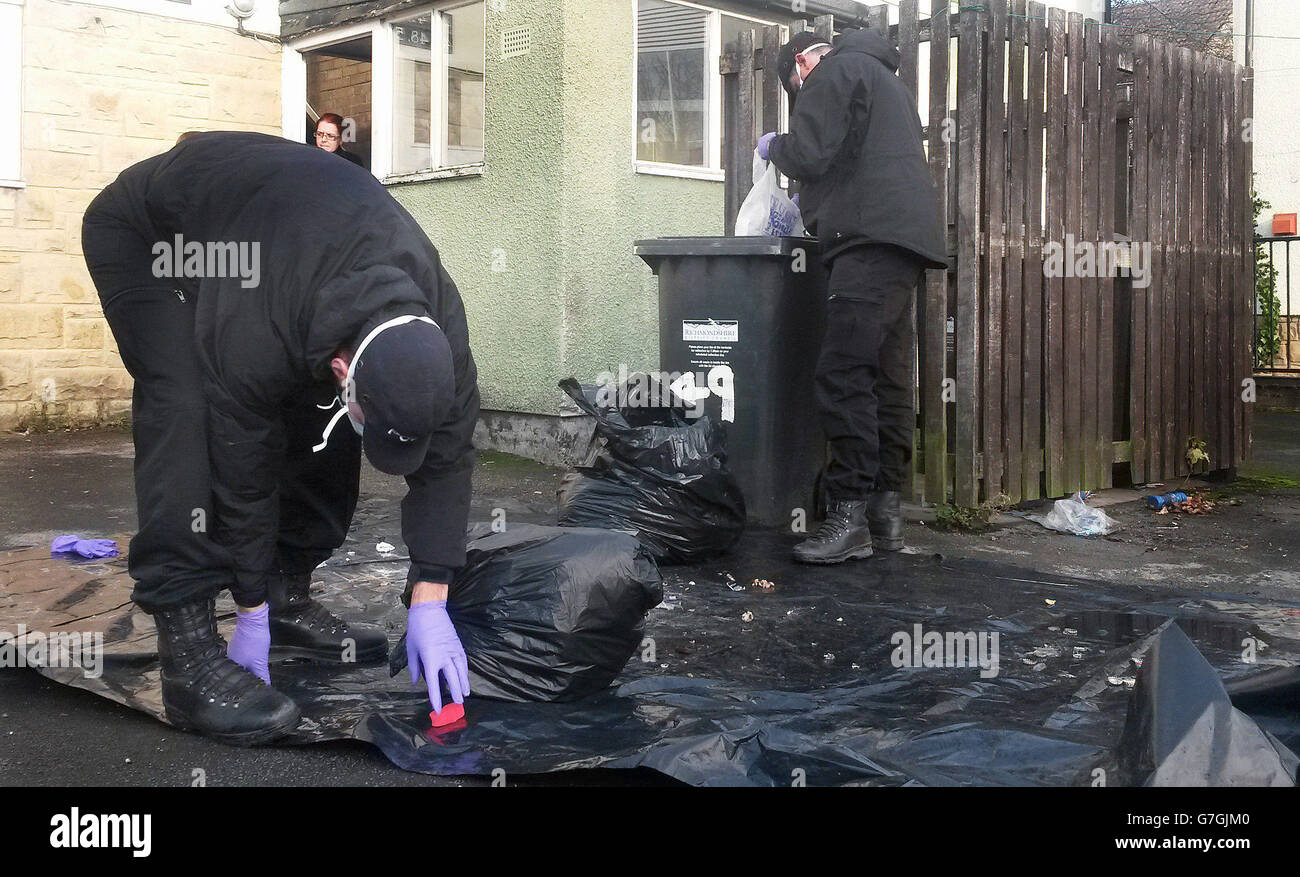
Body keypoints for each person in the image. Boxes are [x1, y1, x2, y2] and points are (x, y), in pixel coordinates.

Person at [81, 131, 478, 745]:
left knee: (326, 411)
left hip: (270, 233)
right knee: (185, 403)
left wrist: (432, 591)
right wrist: (249, 609)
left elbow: (449, 459)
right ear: (349, 365)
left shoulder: (439, 325)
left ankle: (291, 587)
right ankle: (186, 643)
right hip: (150, 239)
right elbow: (244, 459)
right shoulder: (259, 319)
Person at [757, 30, 947, 564]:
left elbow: (812, 153)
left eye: (797, 90)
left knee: (842, 374)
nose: (802, 96)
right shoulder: (882, 77)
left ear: (801, 64)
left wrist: (777, 146)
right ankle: (885, 517)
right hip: (901, 242)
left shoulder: (833, 71)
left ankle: (849, 517)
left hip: (865, 240)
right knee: (885, 376)